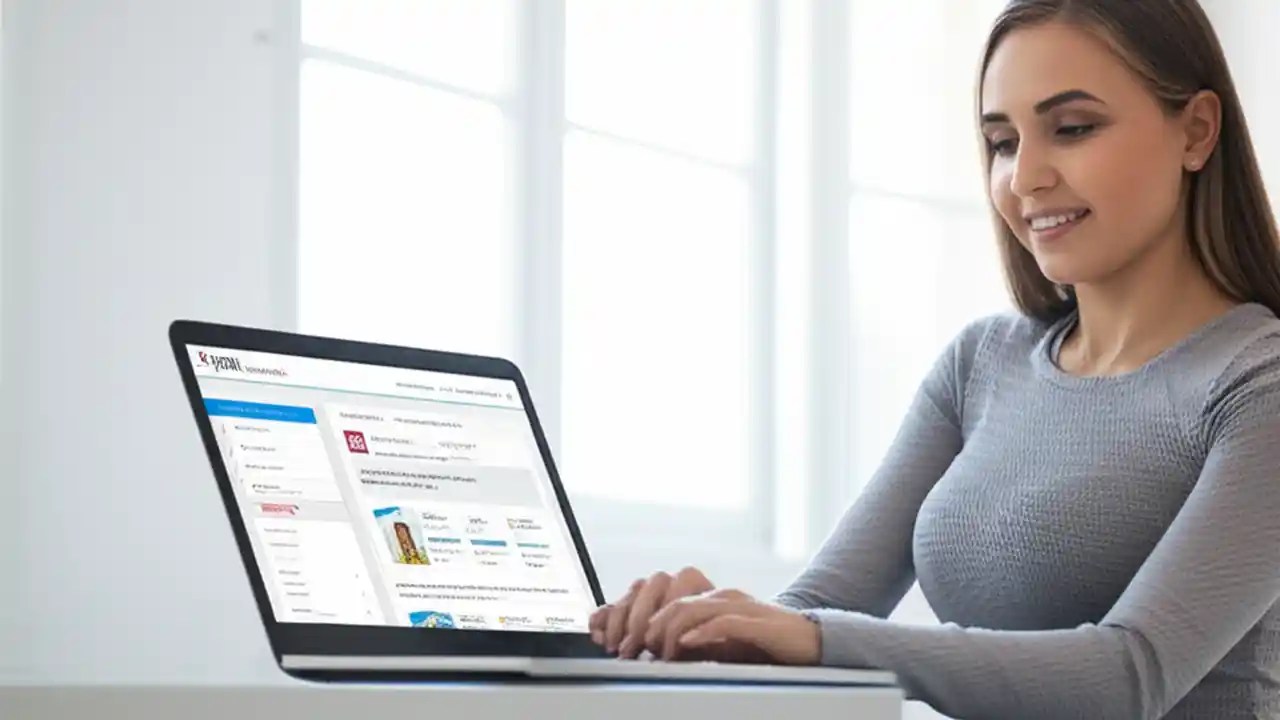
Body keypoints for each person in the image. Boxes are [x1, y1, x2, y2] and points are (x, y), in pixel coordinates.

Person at [587, 1, 1280, 718]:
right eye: (1003, 142)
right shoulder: (980, 364)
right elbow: (819, 608)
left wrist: (807, 635)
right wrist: (706, 623)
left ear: (1196, 132)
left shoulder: (1257, 385)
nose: (1026, 177)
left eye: (1073, 129)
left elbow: (1128, 675)